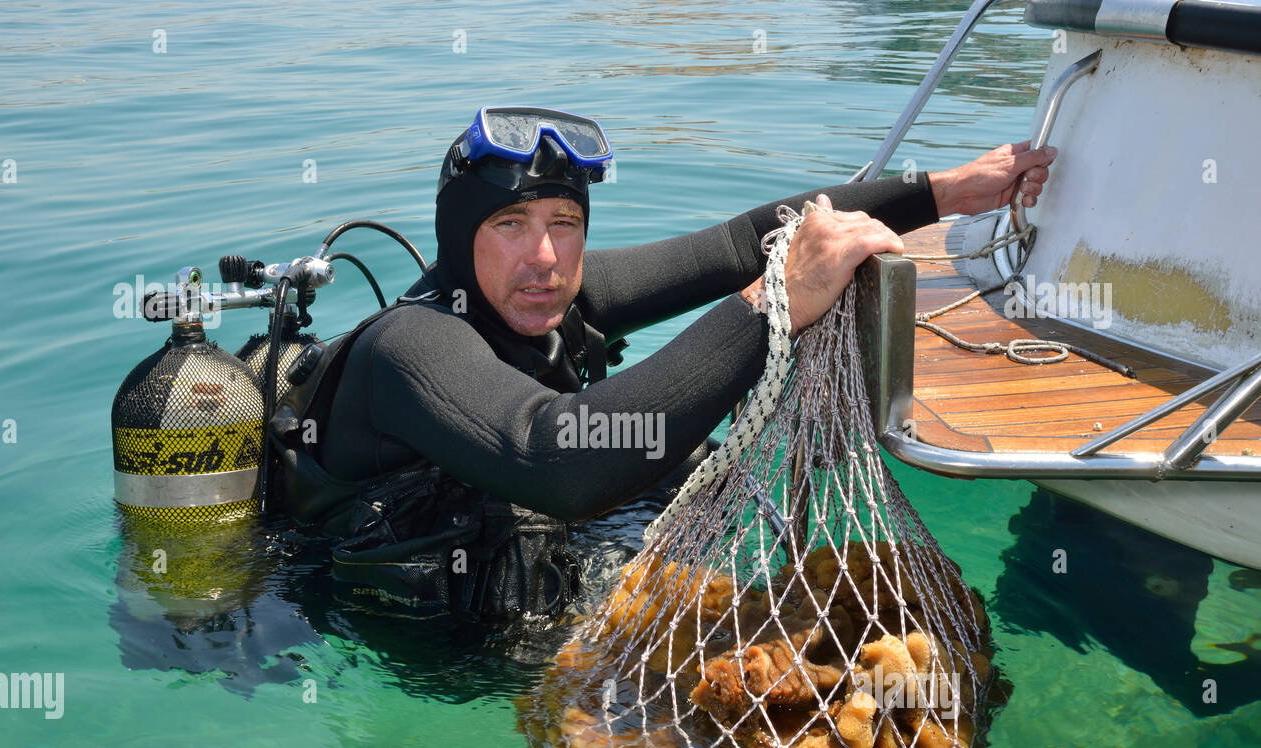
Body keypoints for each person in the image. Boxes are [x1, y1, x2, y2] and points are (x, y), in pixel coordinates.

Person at [271, 106, 1055, 623]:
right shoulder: (408, 349)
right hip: (406, 645)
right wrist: (771, 301)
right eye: (510, 224)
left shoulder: (554, 292)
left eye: (564, 222)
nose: (543, 257)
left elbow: (733, 244)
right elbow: (555, 458)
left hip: (506, 557)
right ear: (457, 238)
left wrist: (946, 191)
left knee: (686, 460)